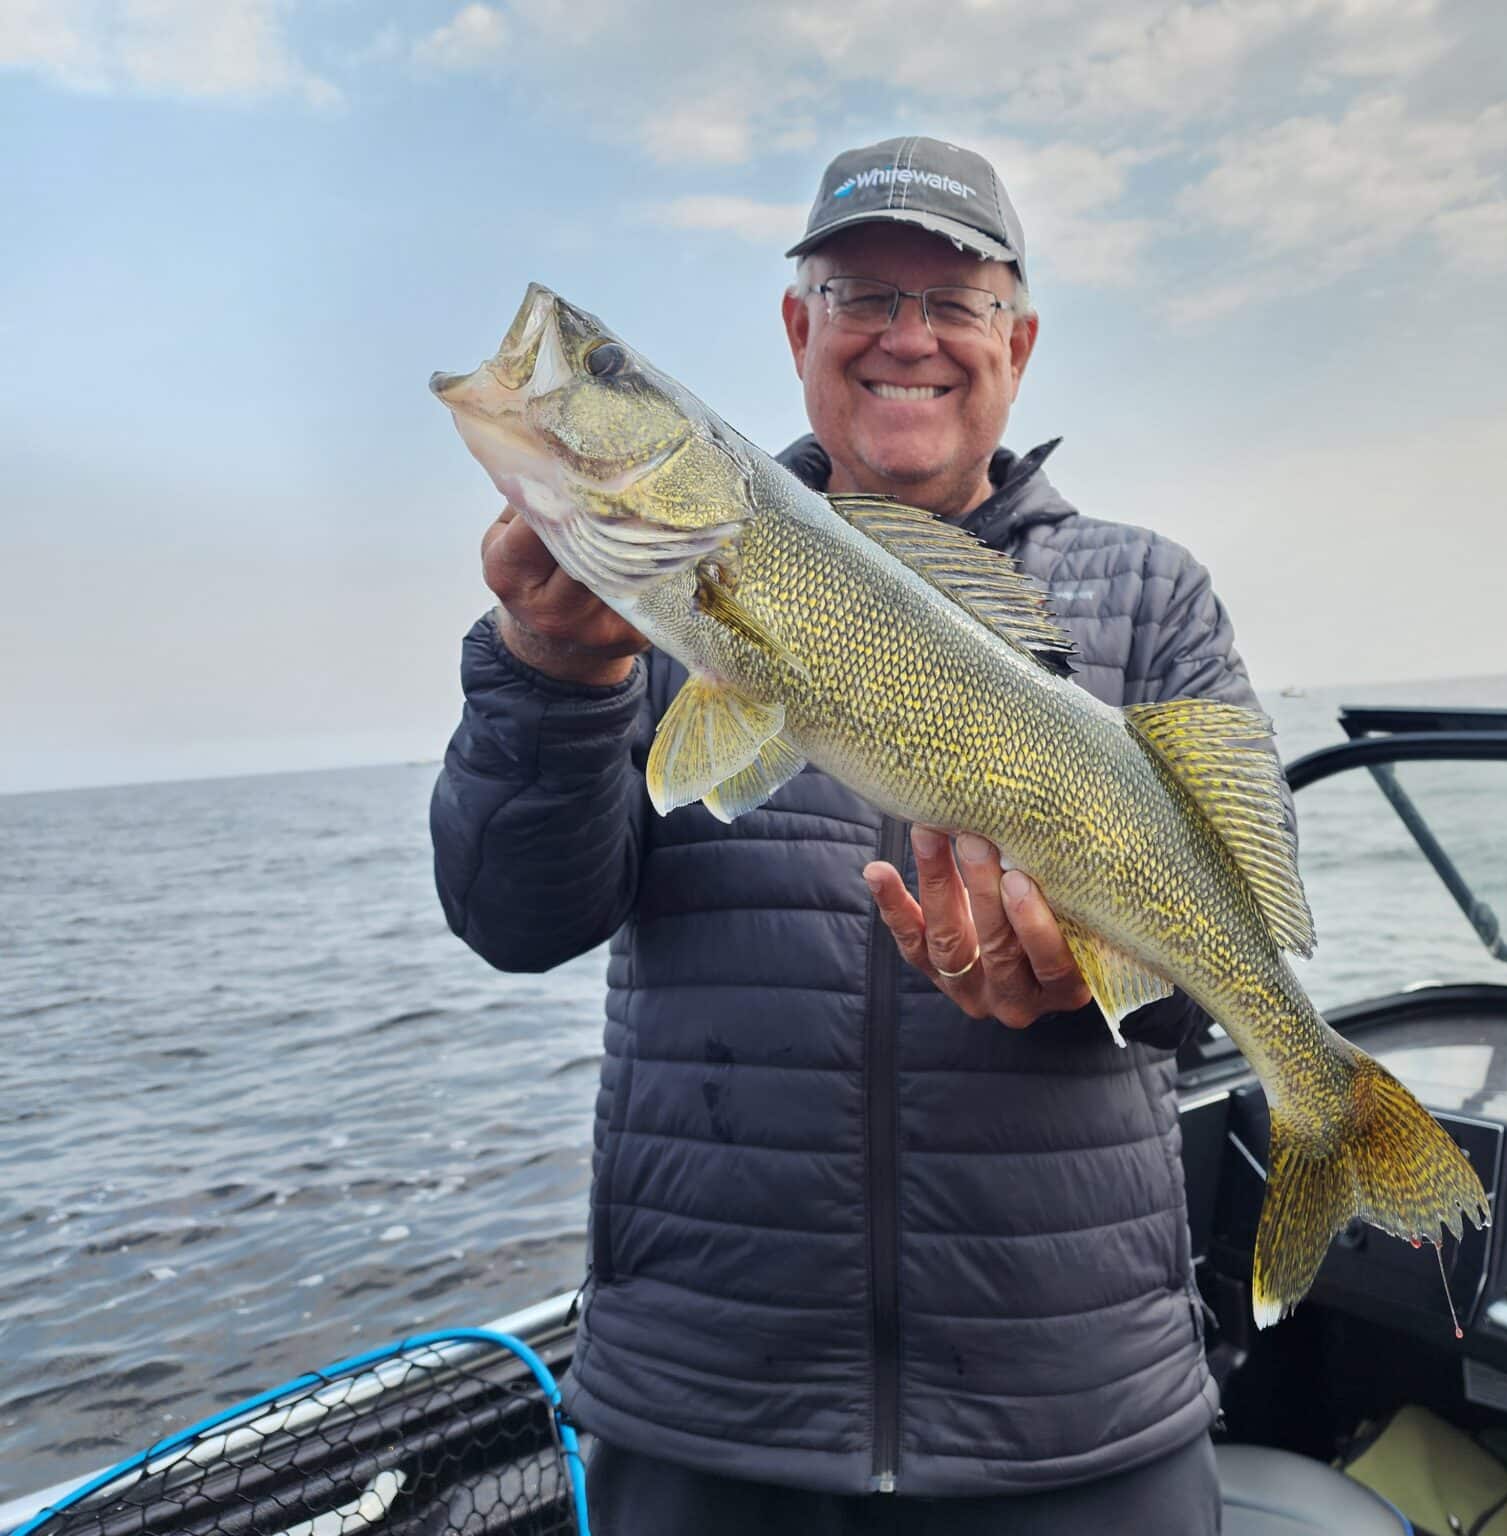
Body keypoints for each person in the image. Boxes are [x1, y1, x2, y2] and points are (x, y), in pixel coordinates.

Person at [431, 136, 1270, 1533]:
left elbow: (1199, 990)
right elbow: (513, 922)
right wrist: (552, 669)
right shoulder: (639, 598)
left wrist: (1090, 981)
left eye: (953, 301)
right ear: (798, 329)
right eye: (864, 295)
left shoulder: (1152, 595)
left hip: (1074, 1415)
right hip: (711, 1409)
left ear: (1018, 340)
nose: (908, 336)